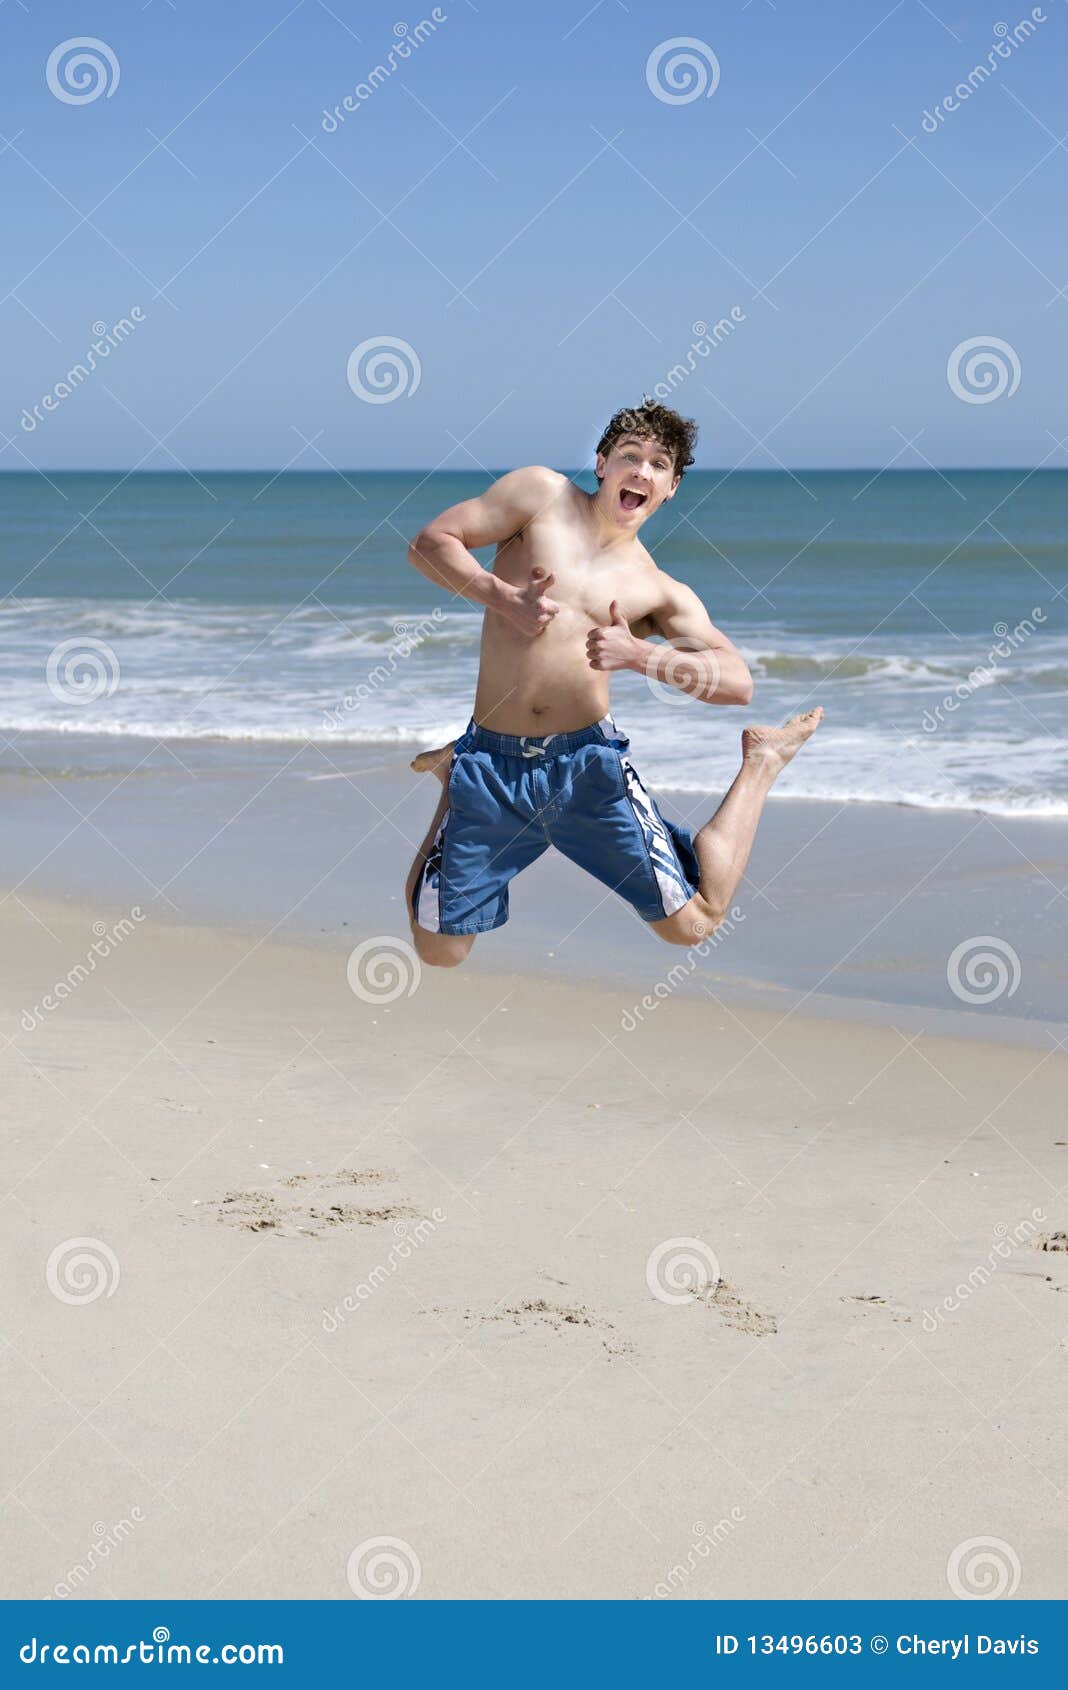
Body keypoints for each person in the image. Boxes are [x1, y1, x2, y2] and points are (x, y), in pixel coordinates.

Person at [404, 400, 822, 967]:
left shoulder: (657, 587)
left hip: (587, 769)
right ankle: (456, 773)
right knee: (440, 951)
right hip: (493, 759)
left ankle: (763, 765)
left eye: (659, 464)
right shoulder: (538, 496)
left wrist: (640, 655)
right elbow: (430, 544)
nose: (642, 472)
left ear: (671, 487)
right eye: (631, 456)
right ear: (602, 463)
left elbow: (736, 682)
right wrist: (501, 599)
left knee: (695, 924)